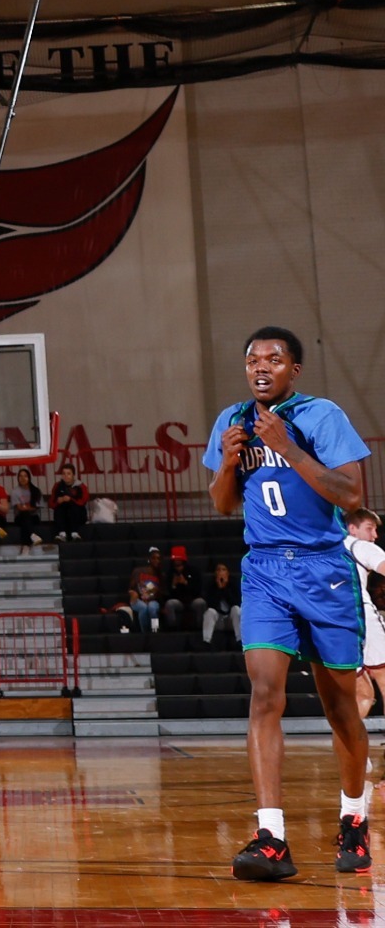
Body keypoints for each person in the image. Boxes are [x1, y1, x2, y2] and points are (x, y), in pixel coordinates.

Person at [205, 325, 371, 880]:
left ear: (293, 369)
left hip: (323, 569)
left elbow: (352, 496)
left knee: (340, 706)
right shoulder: (231, 420)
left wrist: (287, 448)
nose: (261, 366)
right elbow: (223, 503)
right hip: (265, 570)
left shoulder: (321, 416)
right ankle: (271, 836)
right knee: (264, 693)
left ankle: (354, 817)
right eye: (253, 358)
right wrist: (228, 464)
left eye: (274, 359)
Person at [344, 511, 385, 722]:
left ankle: (351, 751)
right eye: (370, 528)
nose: (375, 535)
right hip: (362, 617)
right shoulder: (358, 546)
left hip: (332, 626)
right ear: (352, 529)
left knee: (362, 695)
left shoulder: (322, 547)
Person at [127, 550, 163, 634]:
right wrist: (133, 593)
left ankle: (155, 630)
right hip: (138, 599)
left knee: (152, 608)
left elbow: (161, 593)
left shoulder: (160, 575)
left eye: (158, 558)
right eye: (154, 558)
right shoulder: (138, 571)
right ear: (149, 559)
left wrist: (156, 592)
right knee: (143, 607)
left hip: (153, 600)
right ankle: (145, 633)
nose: (156, 561)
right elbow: (130, 588)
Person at [52, 464, 89, 540]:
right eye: (64, 474)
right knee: (60, 507)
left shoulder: (80, 486)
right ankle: (62, 534)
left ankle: (74, 533)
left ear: (73, 475)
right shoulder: (57, 486)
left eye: (68, 473)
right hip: (63, 515)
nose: (66, 476)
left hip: (78, 514)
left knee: (73, 507)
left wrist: (71, 499)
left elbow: (83, 501)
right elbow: (51, 503)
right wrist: (59, 501)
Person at [12, 468, 45, 545]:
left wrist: (26, 507)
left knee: (26, 520)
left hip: (34, 517)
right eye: (20, 476)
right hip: (19, 517)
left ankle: (26, 545)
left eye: (25, 476)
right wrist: (28, 507)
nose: (23, 478)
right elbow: (19, 508)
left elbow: (36, 507)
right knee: (24, 515)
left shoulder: (36, 490)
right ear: (18, 478)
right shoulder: (15, 491)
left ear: (29, 478)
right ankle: (32, 536)